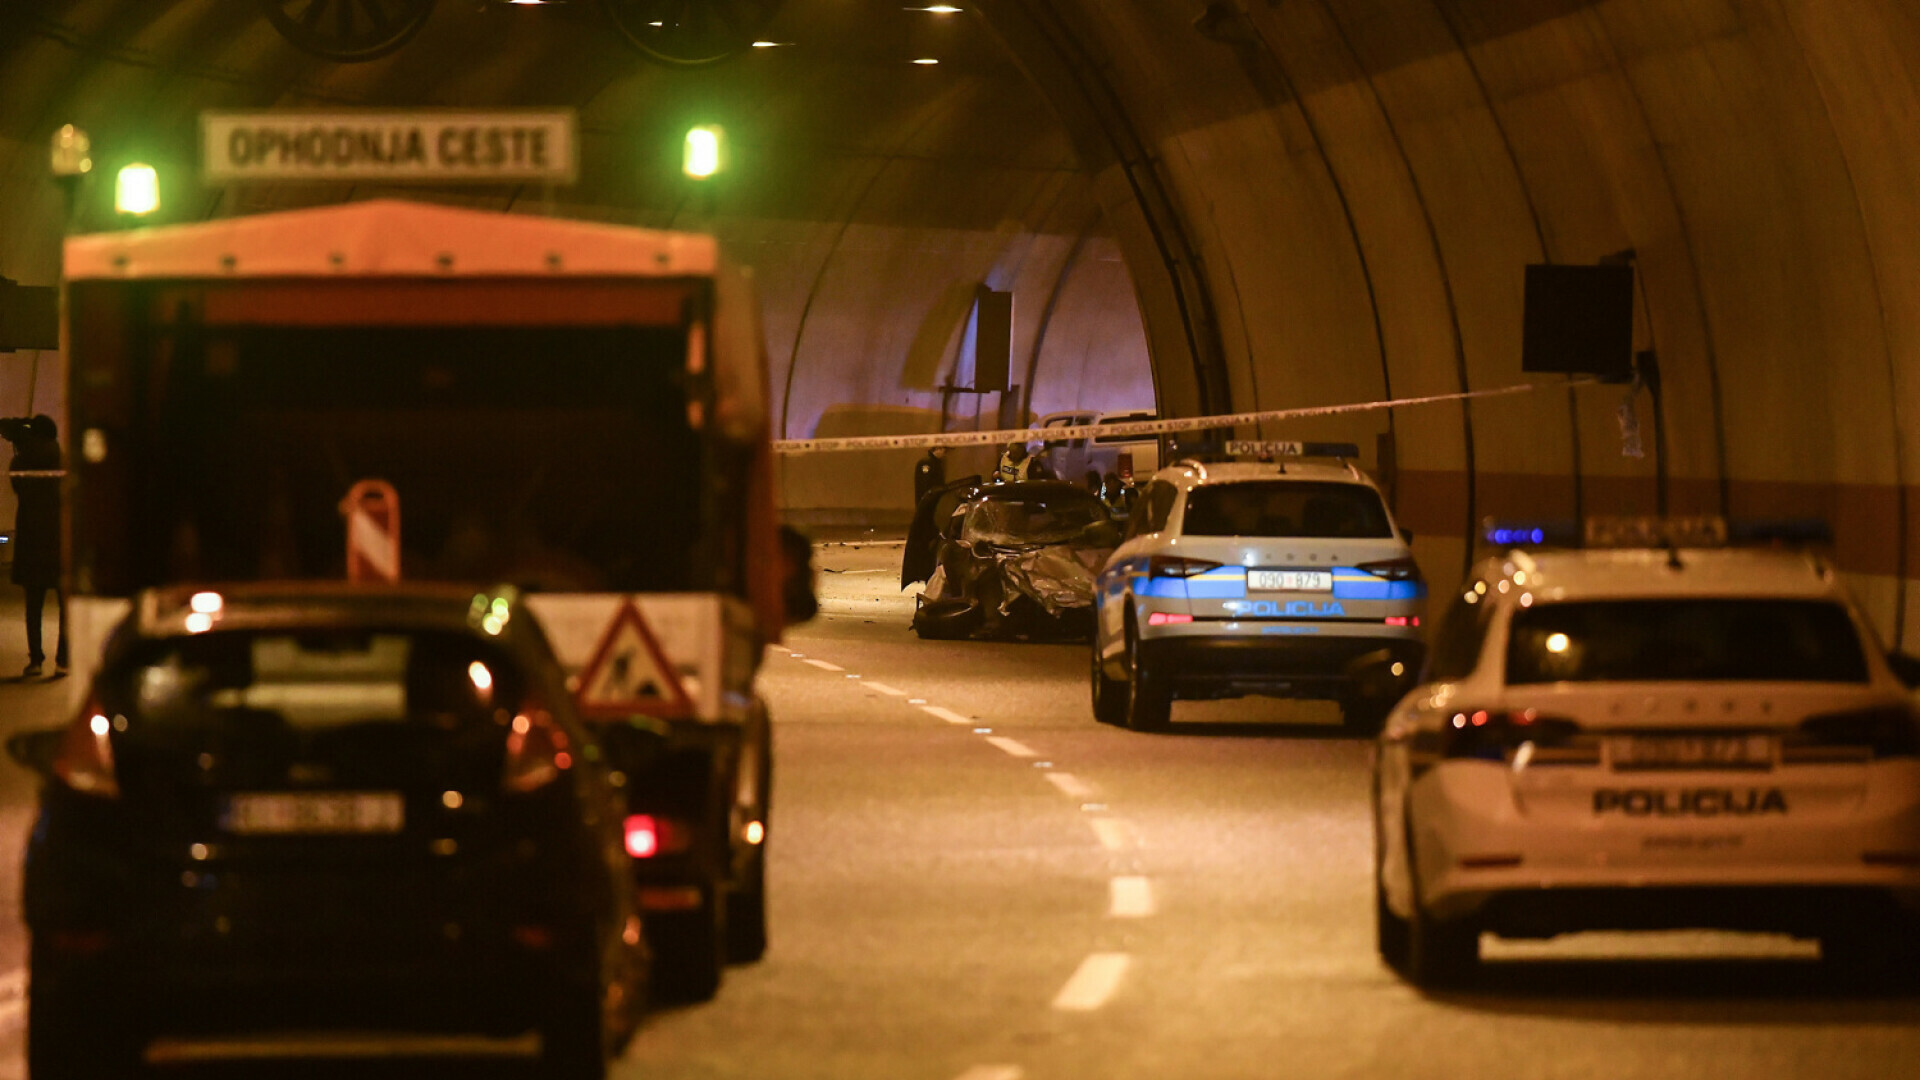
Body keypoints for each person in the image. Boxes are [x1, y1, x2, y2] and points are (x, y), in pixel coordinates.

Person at [2, 414, 65, 676]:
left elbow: (18, 488)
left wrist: (21, 436)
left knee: (33, 605)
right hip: (58, 539)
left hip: (30, 538)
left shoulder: (20, 461)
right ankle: (64, 660)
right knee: (66, 606)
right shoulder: (62, 459)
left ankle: (36, 660)